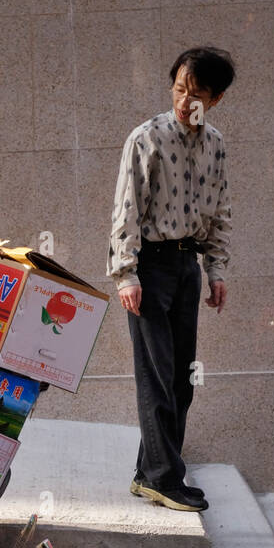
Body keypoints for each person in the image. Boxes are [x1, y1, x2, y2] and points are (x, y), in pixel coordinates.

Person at [107, 46, 235, 513]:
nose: (185, 100)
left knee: (180, 380)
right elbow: (126, 209)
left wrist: (216, 269)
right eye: (179, 89)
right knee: (156, 375)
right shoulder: (146, 138)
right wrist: (125, 274)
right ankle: (164, 477)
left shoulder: (216, 144)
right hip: (150, 266)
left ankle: (150, 474)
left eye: (196, 93)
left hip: (187, 267)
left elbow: (220, 211)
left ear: (216, 98)